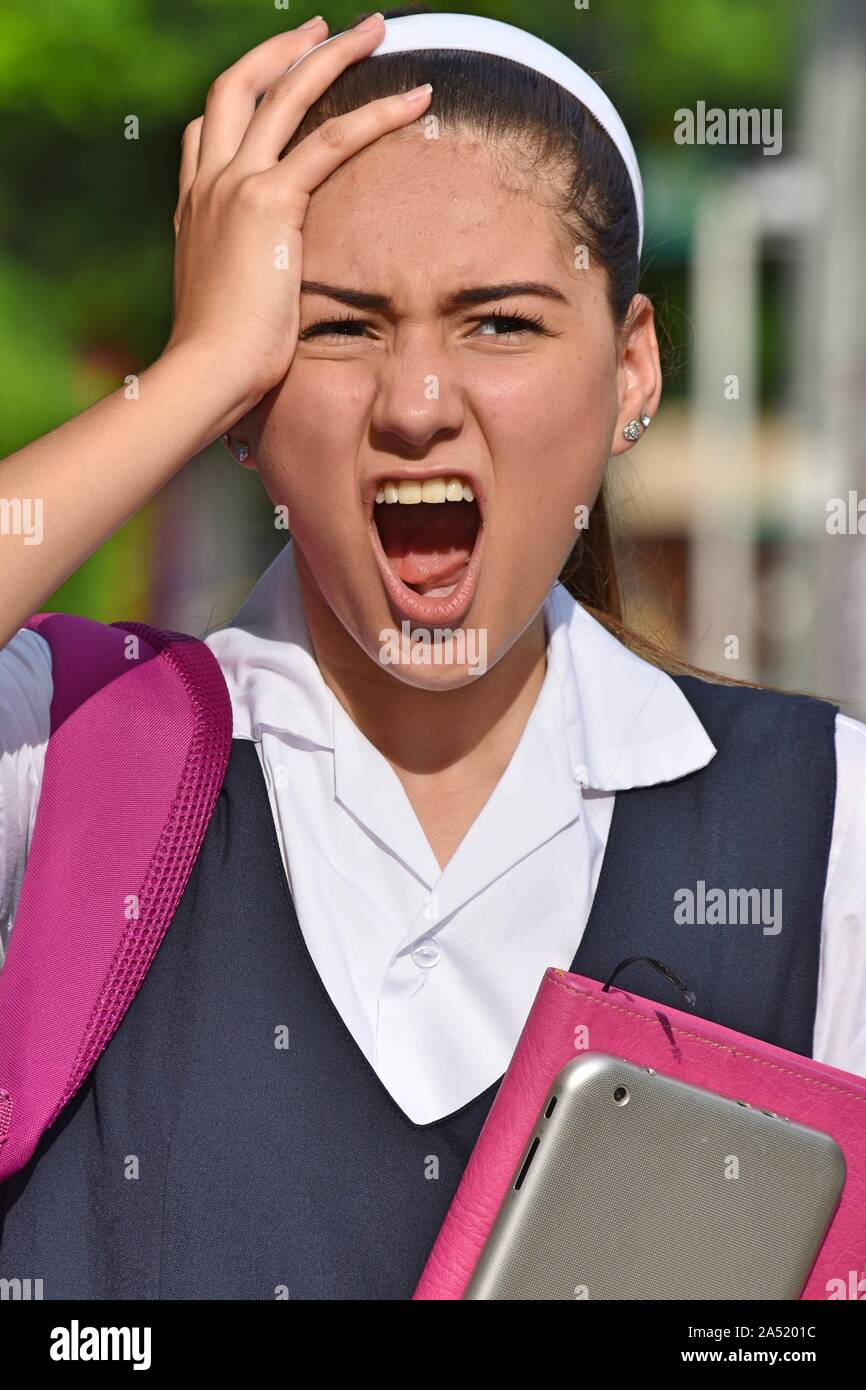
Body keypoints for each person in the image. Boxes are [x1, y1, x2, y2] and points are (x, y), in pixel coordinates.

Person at [0, 7, 864, 1300]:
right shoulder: (61, 747)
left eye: (499, 324)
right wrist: (192, 373)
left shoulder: (828, 816)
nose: (415, 404)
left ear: (633, 371)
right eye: (338, 328)